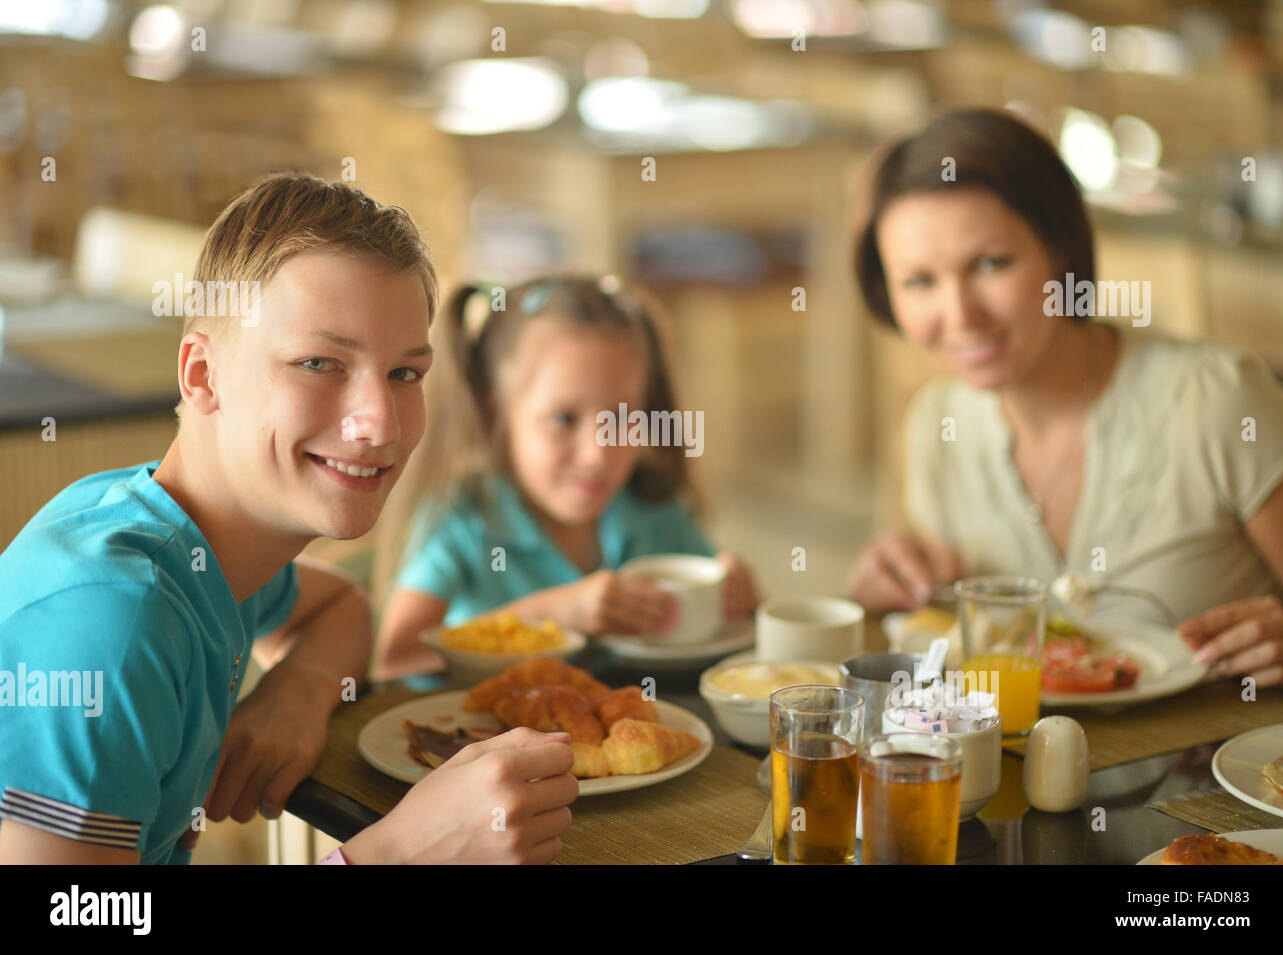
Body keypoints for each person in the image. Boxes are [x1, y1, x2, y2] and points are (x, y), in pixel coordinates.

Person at [0, 173, 578, 864]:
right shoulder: (112, 619)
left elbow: (341, 606)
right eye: (319, 362)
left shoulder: (196, 547)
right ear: (202, 375)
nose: (379, 423)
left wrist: (299, 693)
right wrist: (403, 851)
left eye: (405, 373)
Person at [845, 107, 1283, 689]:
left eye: (991, 264)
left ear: (1060, 248)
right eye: (919, 281)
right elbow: (942, 651)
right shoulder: (937, 424)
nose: (960, 315)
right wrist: (890, 582)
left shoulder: (1219, 400)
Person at [372, 276, 759, 680]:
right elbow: (396, 659)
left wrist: (742, 598)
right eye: (564, 419)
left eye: (622, 418)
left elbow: (728, 629)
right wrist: (552, 616)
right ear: (496, 413)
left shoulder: (653, 508)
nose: (597, 454)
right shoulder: (462, 520)